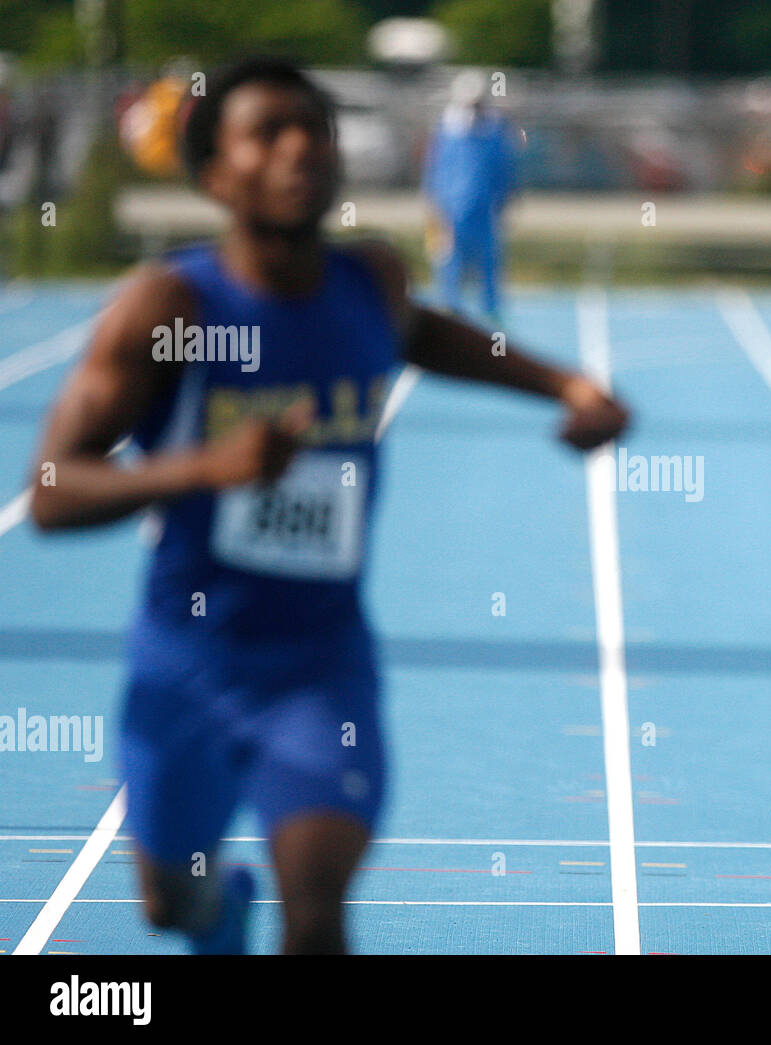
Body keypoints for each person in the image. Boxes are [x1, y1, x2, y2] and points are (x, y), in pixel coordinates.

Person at [29, 56, 628, 955]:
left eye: (316, 127)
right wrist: (203, 468)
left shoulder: (371, 283)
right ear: (214, 174)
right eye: (268, 132)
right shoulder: (172, 306)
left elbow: (426, 332)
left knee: (315, 912)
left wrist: (566, 383)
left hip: (318, 668)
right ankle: (214, 913)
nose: (301, 145)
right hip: (185, 663)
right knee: (167, 903)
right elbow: (51, 490)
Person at [423, 70, 514, 321]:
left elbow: (503, 172)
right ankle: (450, 313)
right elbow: (434, 173)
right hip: (450, 211)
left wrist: (504, 205)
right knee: (449, 264)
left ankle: (492, 317)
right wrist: (435, 211)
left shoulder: (494, 131)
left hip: (484, 212)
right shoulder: (447, 130)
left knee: (489, 265)